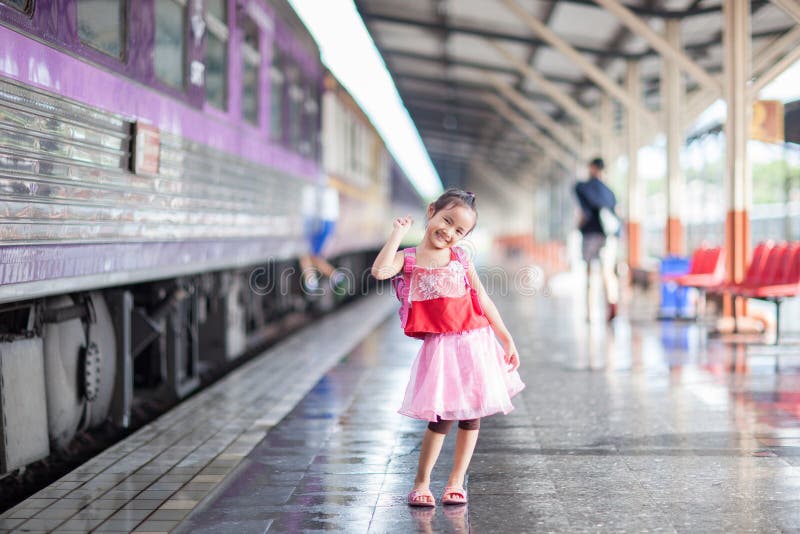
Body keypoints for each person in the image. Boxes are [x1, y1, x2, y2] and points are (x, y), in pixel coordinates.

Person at [371, 189, 525, 508]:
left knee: (472, 417)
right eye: (446, 221)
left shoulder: (460, 257)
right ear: (432, 211)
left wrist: (506, 337)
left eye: (460, 231)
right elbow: (380, 271)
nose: (449, 233)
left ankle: (456, 482)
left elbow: (482, 299)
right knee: (440, 418)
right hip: (442, 348)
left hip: (476, 343)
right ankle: (422, 482)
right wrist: (397, 234)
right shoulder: (409, 258)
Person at [574, 157, 620, 322]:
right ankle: (612, 302)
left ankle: (591, 313)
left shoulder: (583, 188)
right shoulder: (610, 192)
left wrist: (579, 226)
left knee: (590, 273)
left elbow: (583, 213)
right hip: (610, 236)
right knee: (607, 272)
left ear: (592, 168)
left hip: (591, 234)